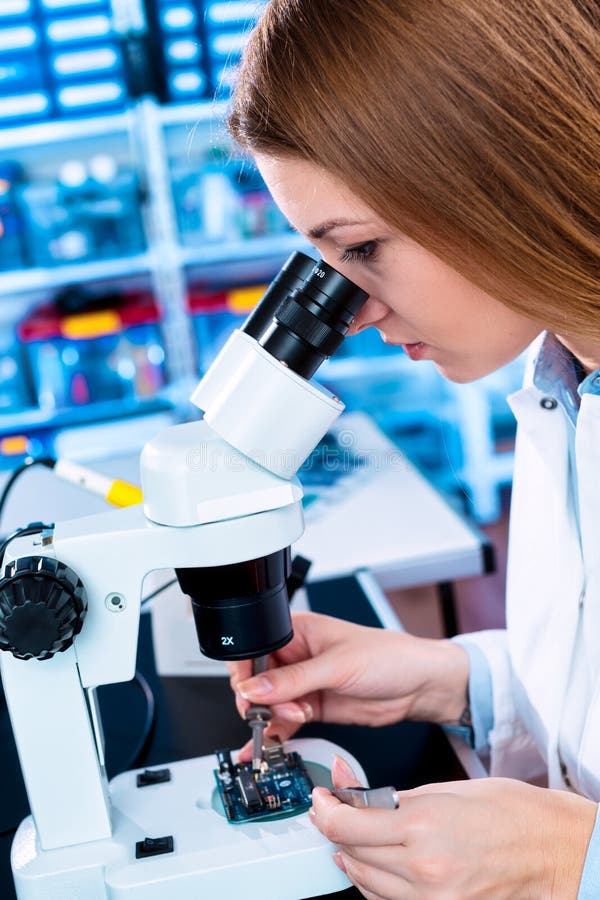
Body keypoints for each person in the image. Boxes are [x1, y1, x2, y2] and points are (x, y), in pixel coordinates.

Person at [226, 2, 600, 896]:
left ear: (513, 173)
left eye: (361, 249)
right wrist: (454, 683)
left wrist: (575, 863)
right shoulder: (566, 384)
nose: (352, 314)